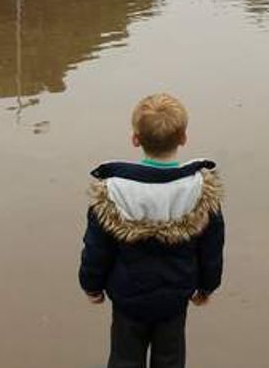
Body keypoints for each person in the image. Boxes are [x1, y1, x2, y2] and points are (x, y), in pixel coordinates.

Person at [79, 93, 224, 368]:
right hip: (175, 295)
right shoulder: (200, 191)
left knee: (124, 357)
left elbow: (96, 249)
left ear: (135, 139)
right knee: (170, 358)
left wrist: (91, 285)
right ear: (183, 138)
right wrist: (207, 286)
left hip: (127, 295)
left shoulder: (113, 192)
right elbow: (212, 247)